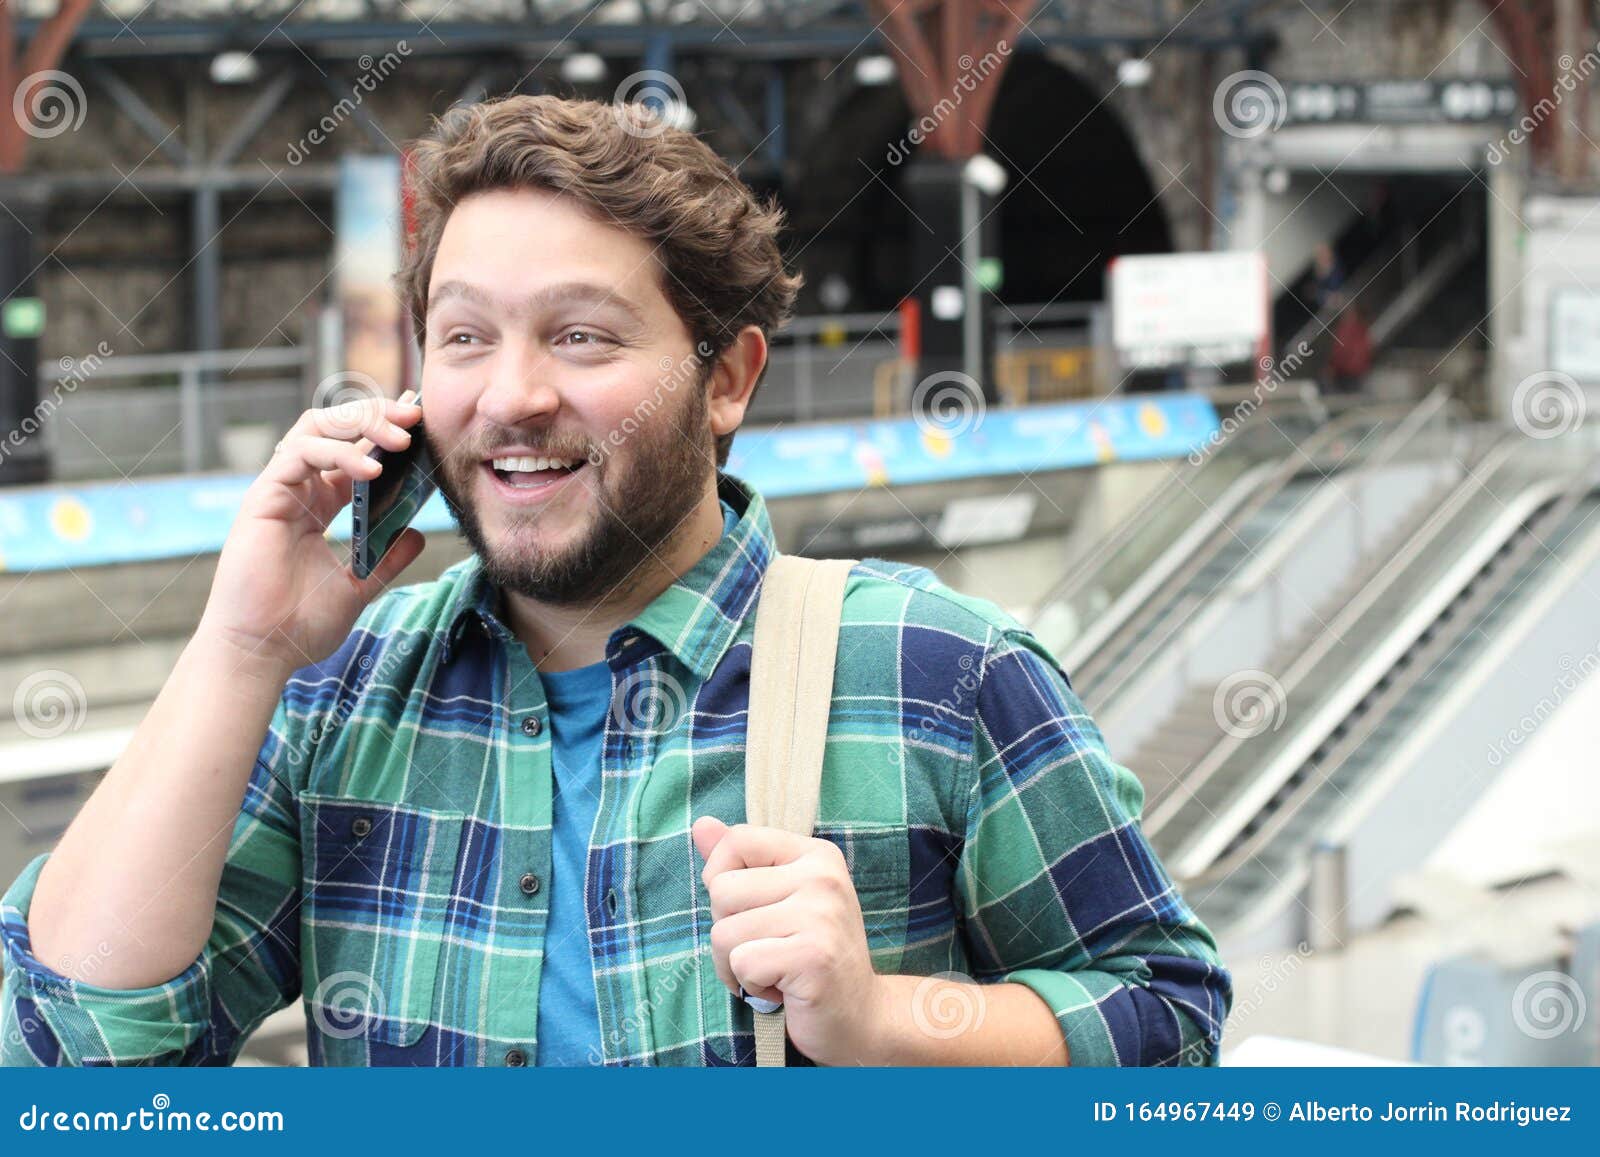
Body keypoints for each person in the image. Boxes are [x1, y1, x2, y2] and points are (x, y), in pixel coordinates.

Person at [1, 95, 1230, 1068]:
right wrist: (242, 644)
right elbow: (78, 1052)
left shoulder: (942, 672)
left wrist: (882, 1021)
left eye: (582, 334)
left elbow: (1168, 1026)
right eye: (466, 335)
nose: (513, 393)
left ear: (728, 378)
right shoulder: (342, 691)